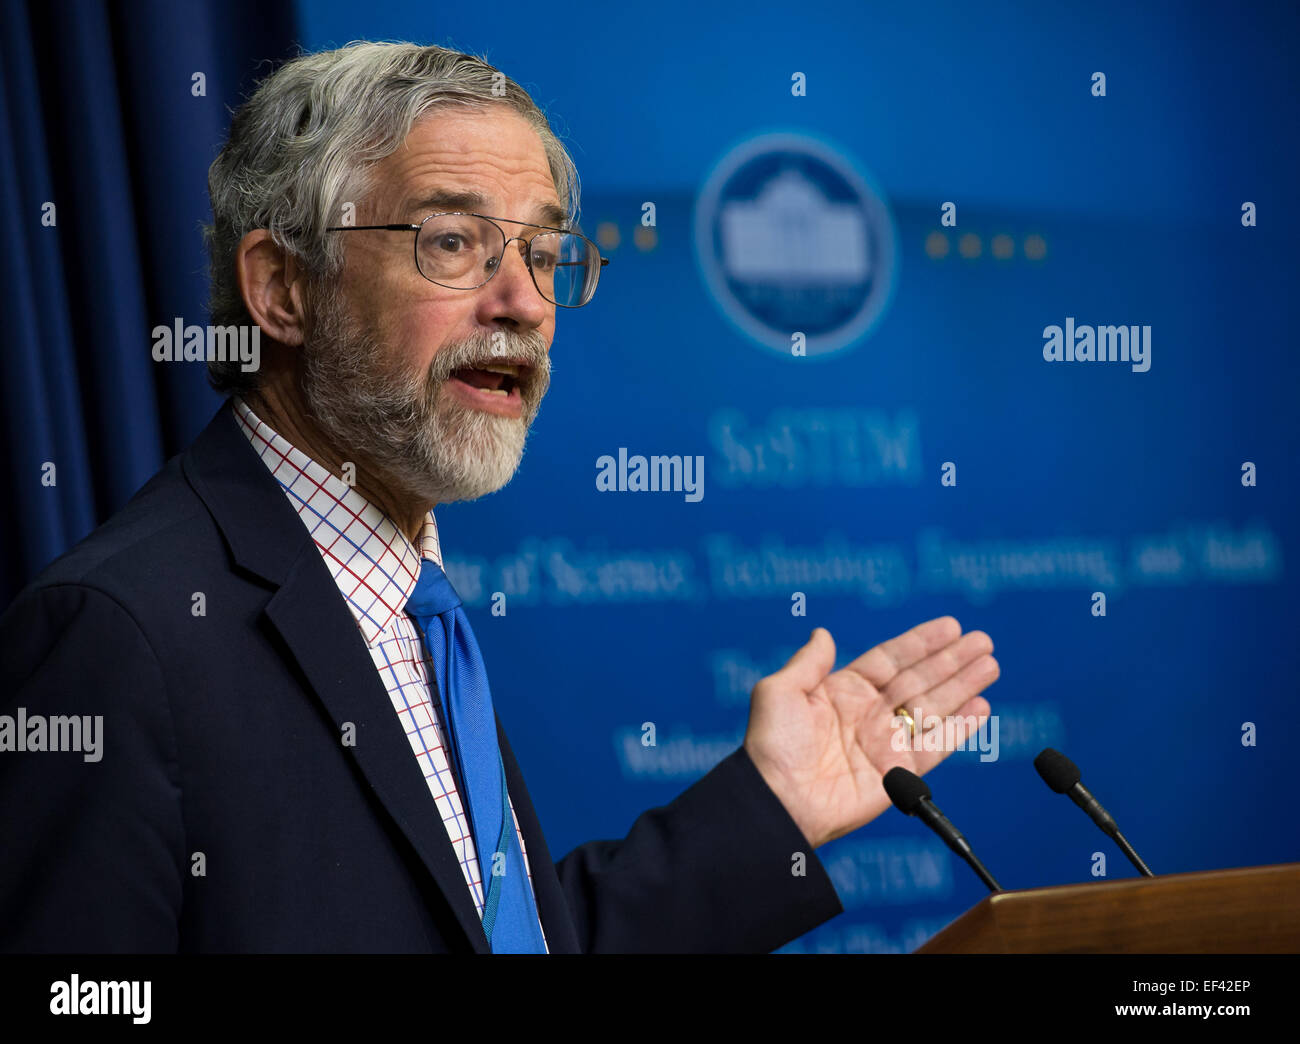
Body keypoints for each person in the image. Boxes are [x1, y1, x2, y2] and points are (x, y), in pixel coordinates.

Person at [0, 41, 999, 953]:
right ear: (283, 287)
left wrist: (769, 809)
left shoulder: (406, 593)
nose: (521, 300)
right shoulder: (116, 636)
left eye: (543, 252)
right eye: (450, 242)